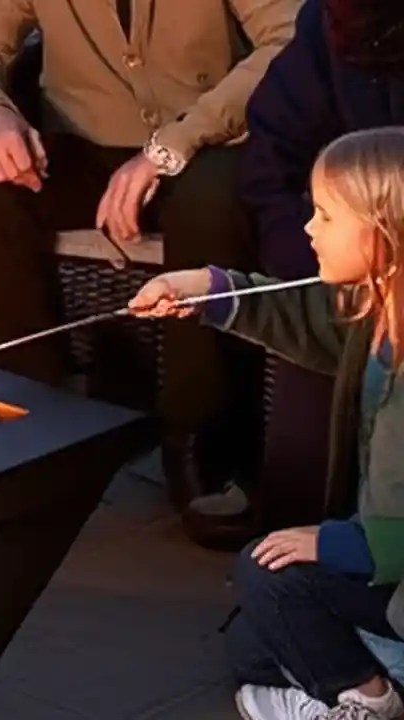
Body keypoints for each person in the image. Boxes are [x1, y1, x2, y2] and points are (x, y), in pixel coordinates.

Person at [0, 0, 300, 547]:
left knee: (212, 204)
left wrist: (176, 142)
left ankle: (204, 442)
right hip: (83, 150)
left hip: (206, 147)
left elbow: (290, 38)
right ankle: (29, 421)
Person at [129, 127, 404, 720]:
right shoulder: (380, 313)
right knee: (250, 646)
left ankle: (372, 701)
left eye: (327, 216)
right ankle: (361, 674)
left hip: (391, 560)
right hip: (385, 567)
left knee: (265, 577)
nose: (309, 229)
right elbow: (303, 313)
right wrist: (204, 289)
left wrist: (336, 544)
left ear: (385, 233)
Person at [226, 0, 404, 545]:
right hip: (352, 268)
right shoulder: (331, 24)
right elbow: (270, 155)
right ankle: (291, 558)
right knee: (304, 416)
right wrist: (320, 261)